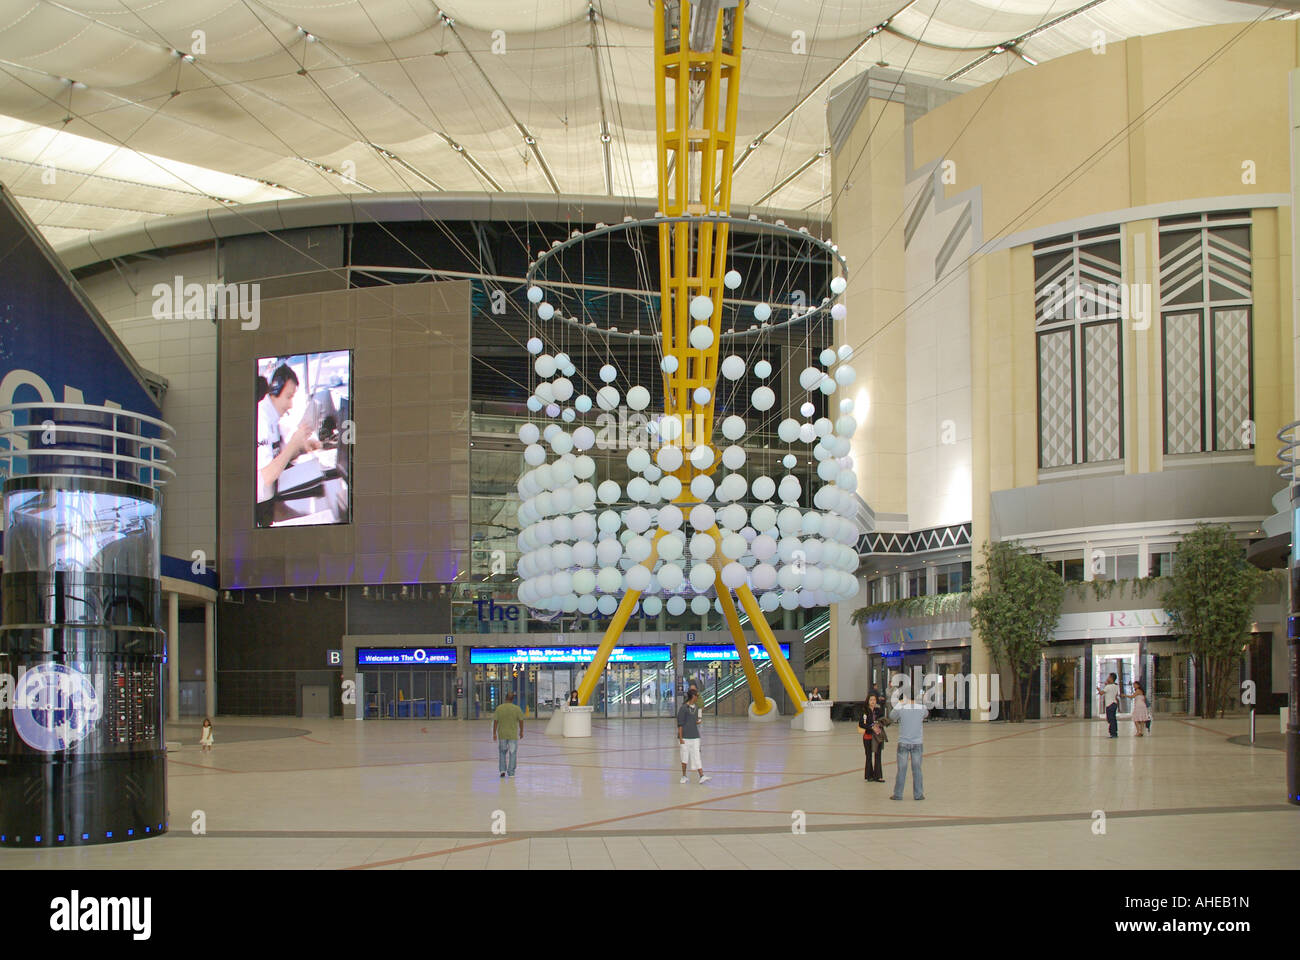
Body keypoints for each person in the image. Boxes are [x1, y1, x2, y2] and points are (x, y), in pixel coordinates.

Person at [256, 363, 320, 527]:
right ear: (275, 391)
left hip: (271, 501)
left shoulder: (272, 419)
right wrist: (293, 444)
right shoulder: (260, 421)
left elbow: (277, 457)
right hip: (259, 509)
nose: (291, 405)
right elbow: (266, 477)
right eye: (289, 397)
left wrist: (299, 447)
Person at [889, 694, 929, 800]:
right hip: (917, 743)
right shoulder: (922, 707)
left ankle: (898, 794)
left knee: (901, 769)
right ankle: (918, 794)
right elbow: (926, 714)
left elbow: (891, 716)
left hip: (903, 742)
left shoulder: (901, 707)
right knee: (917, 769)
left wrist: (900, 703)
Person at [676, 689, 711, 785]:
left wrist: (698, 721)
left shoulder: (696, 708)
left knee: (697, 755)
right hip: (685, 737)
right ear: (693, 696)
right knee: (684, 757)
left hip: (695, 736)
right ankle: (684, 776)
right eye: (696, 696)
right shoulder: (683, 708)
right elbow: (680, 724)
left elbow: (694, 721)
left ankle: (701, 776)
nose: (697, 698)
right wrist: (681, 738)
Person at [492, 692, 525, 778]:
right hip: (512, 735)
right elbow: (521, 720)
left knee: (502, 753)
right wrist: (521, 731)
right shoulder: (517, 709)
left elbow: (495, 721)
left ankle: (502, 770)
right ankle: (511, 772)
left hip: (502, 734)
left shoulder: (499, 708)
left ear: (505, 698)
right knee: (512, 753)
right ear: (513, 699)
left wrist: (494, 733)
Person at [858, 694, 887, 782]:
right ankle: (869, 775)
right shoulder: (865, 711)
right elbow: (862, 724)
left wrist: (879, 725)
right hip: (868, 736)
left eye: (874, 700)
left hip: (877, 736)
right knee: (868, 756)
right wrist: (871, 727)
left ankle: (878, 776)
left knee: (878, 755)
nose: (873, 702)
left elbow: (883, 720)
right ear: (868, 701)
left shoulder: (878, 710)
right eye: (871, 700)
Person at [1100, 672, 1121, 738]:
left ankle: (1113, 733)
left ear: (1111, 678)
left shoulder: (1108, 687)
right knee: (1113, 719)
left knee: (1110, 719)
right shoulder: (1116, 686)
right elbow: (1117, 694)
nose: (1107, 678)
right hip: (1114, 703)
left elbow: (1101, 693)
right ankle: (1114, 732)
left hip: (1109, 704)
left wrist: (1098, 688)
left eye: (1108, 677)